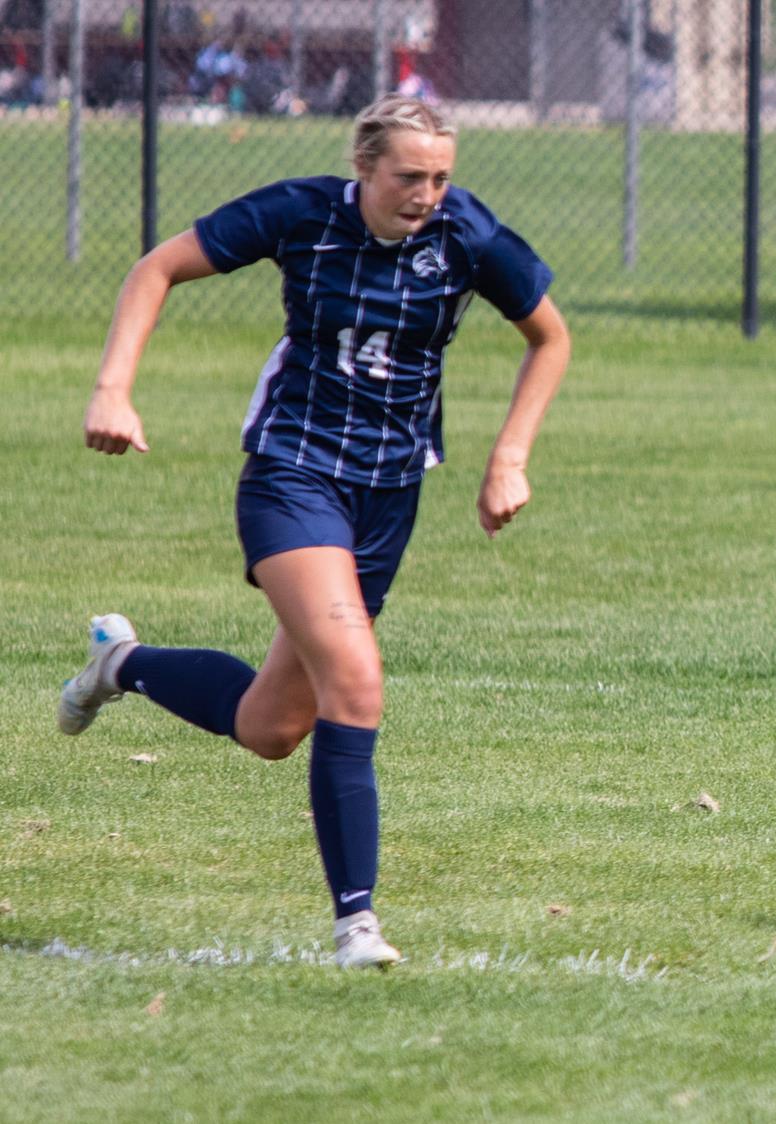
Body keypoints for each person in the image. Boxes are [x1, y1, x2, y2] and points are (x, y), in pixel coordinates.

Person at [59, 95, 570, 968]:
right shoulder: (301, 214)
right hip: (293, 476)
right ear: (364, 167)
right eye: (410, 176)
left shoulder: (467, 236)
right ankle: (356, 924)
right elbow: (156, 269)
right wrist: (114, 386)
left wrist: (508, 457)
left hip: (390, 495)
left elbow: (549, 338)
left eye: (441, 177)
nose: (427, 194)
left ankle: (122, 664)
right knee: (358, 682)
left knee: (270, 726)